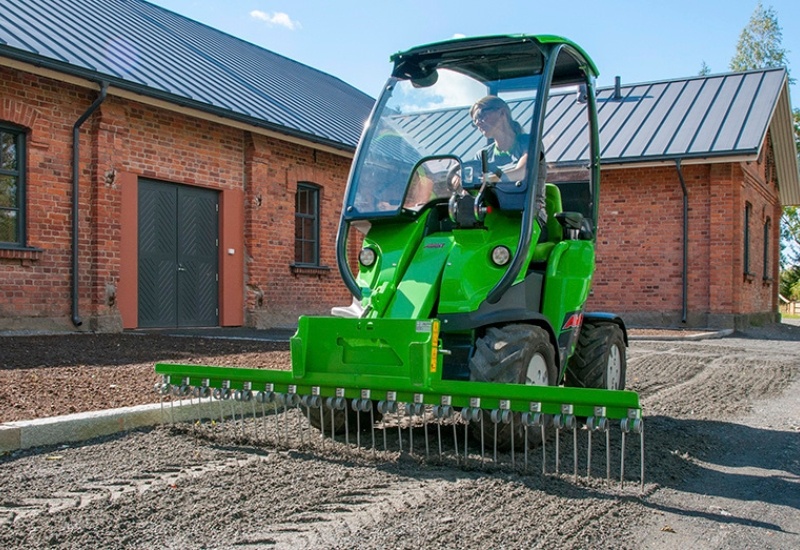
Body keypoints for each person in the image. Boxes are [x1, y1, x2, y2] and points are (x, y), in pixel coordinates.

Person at [467, 95, 547, 228]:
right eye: (474, 121)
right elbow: (472, 182)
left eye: (481, 115)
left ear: (502, 112)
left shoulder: (530, 143)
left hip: (528, 214)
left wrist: (489, 178)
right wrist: (459, 179)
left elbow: (521, 173)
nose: (478, 122)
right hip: (493, 214)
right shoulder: (482, 155)